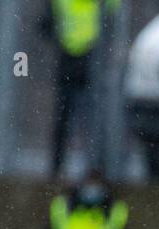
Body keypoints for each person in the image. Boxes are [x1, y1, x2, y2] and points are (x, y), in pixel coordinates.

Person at [44, 0, 120, 178]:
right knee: (81, 117)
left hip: (86, 59)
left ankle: (89, 168)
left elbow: (47, 24)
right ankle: (64, 168)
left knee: (83, 117)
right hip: (80, 60)